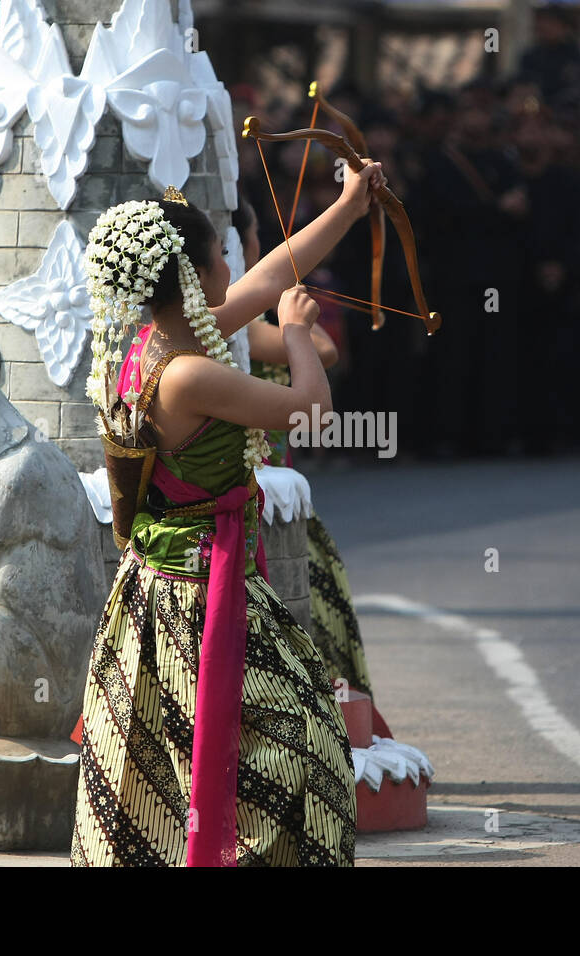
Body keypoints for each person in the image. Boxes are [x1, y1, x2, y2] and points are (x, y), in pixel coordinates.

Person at [71, 158, 388, 867]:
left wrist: (348, 205)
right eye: (220, 253)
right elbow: (311, 409)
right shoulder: (190, 375)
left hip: (171, 591)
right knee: (298, 750)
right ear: (191, 273)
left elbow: (276, 269)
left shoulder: (157, 345)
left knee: (177, 764)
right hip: (199, 602)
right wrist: (297, 332)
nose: (230, 262)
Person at [231, 198, 378, 706]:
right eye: (253, 239)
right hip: (259, 501)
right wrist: (292, 319)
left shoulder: (232, 315)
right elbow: (326, 351)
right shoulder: (242, 325)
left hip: (268, 492)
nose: (256, 249)